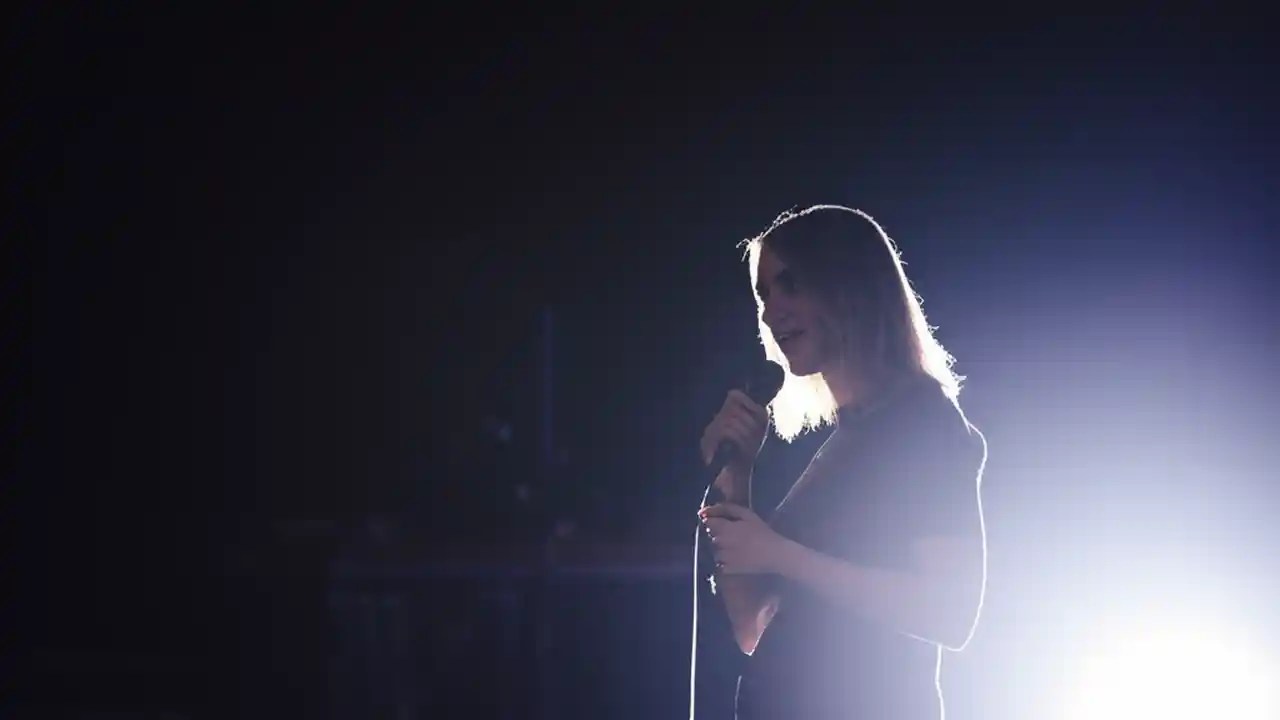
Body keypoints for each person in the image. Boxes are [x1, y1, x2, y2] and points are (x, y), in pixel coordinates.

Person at [697, 205, 987, 719]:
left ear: (849, 290)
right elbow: (750, 627)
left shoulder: (923, 424)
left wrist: (780, 553)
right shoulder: (846, 439)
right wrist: (735, 472)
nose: (770, 312)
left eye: (791, 286)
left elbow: (950, 611)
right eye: (763, 296)